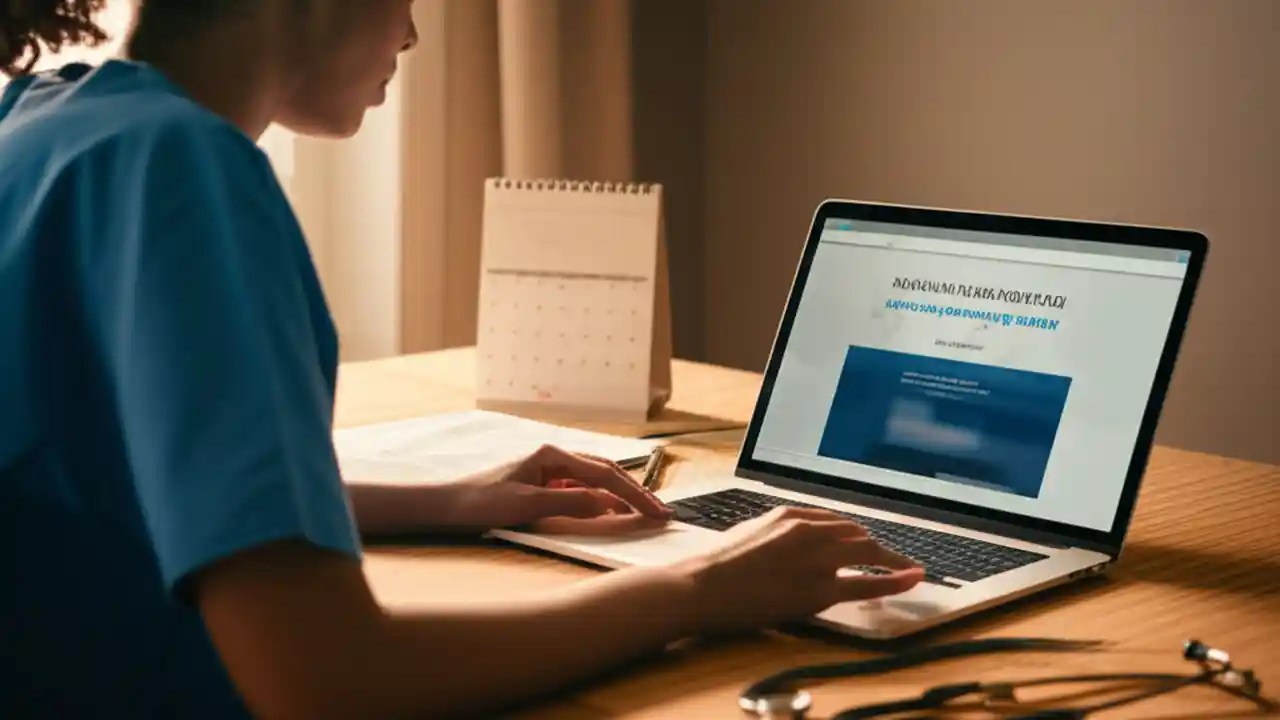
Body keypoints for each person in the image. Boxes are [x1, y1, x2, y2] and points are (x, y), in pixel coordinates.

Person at [0, 1, 924, 717]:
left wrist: (455, 501)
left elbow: (119, 485)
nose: (408, 34)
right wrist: (696, 588)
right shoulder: (184, 173)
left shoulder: (44, 126)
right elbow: (323, 677)